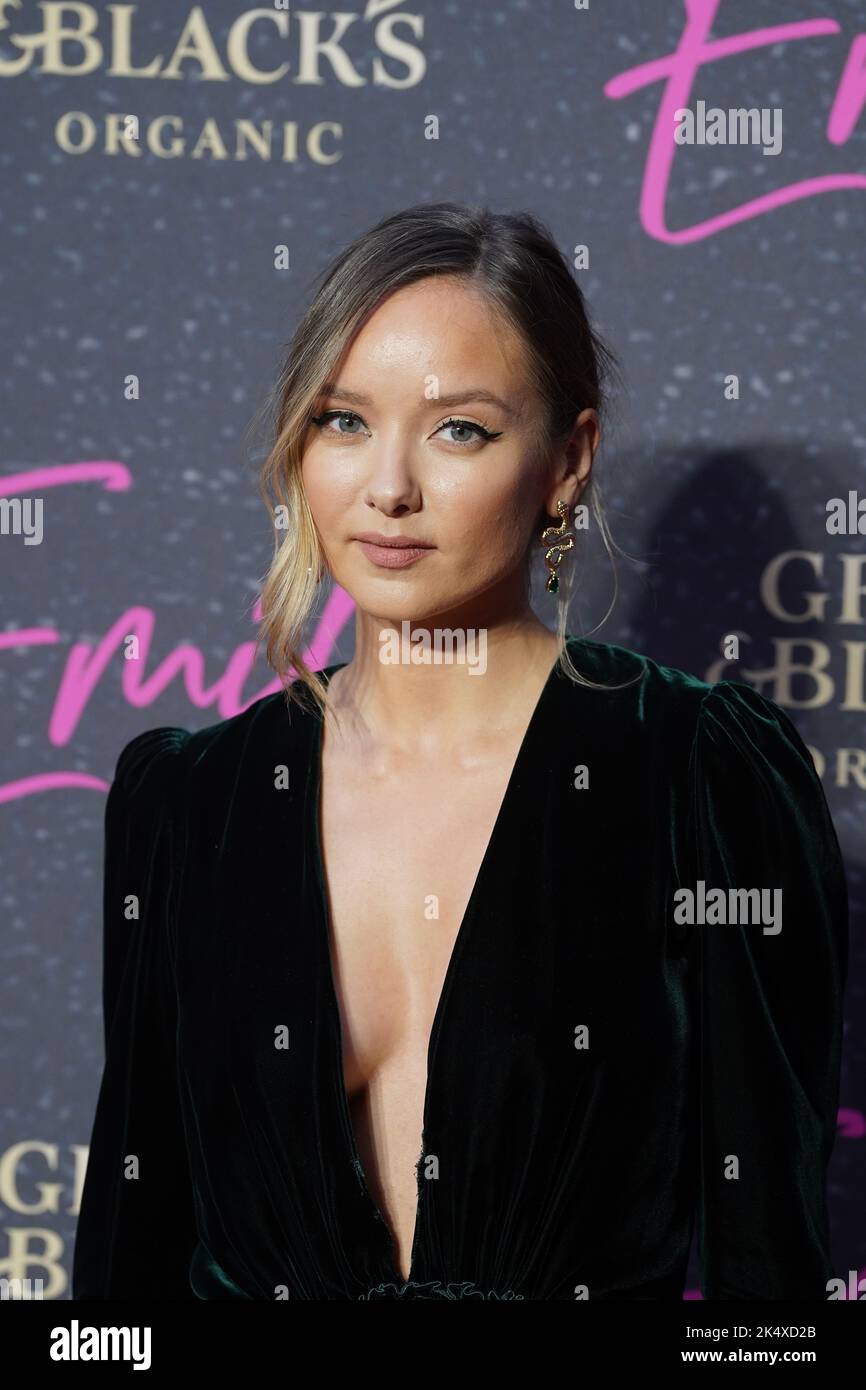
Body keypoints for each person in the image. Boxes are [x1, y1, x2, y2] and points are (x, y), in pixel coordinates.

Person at [72, 202, 848, 1301]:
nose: (387, 486)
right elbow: (123, 1267)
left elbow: (767, 1268)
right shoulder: (191, 805)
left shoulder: (692, 775)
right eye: (343, 421)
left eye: (458, 430)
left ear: (566, 462)